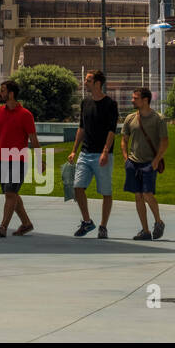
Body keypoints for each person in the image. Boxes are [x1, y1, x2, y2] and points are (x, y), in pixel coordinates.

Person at [0, 80, 40, 237]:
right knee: (11, 194)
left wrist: (40, 161)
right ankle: (26, 224)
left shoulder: (26, 115)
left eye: (3, 91)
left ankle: (3, 227)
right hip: (1, 160)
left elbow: (34, 139)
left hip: (18, 160)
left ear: (11, 94)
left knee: (10, 193)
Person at [68, 70, 119, 238]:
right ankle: (87, 221)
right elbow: (81, 128)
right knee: (77, 188)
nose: (85, 82)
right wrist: (74, 150)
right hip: (85, 153)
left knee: (106, 192)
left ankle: (103, 226)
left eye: (88, 80)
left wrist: (105, 151)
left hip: (102, 155)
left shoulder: (110, 104)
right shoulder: (85, 103)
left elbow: (112, 131)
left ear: (97, 83)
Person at [121, 87, 169, 241]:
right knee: (138, 196)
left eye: (135, 98)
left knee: (147, 194)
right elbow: (124, 140)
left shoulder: (158, 119)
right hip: (133, 163)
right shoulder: (130, 118)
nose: (132, 100)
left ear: (145, 100)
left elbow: (164, 142)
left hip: (149, 163)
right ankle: (146, 231)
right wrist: (125, 158)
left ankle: (158, 222)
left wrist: (156, 161)